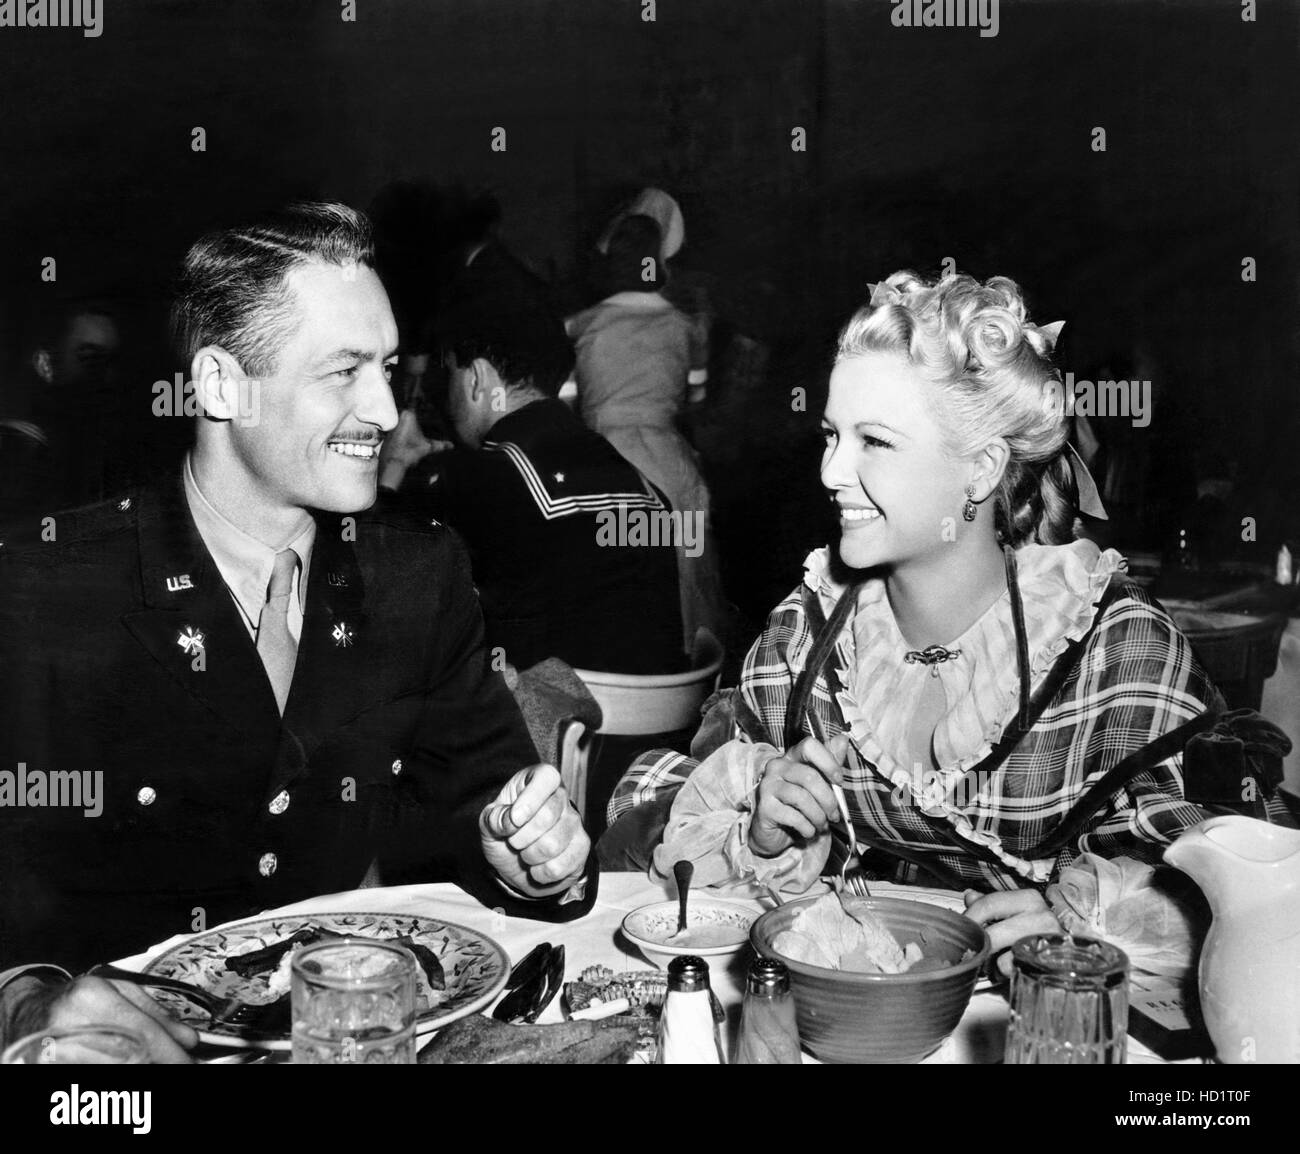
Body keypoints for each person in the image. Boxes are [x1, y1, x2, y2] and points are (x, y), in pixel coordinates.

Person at [0, 203, 595, 1060]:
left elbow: (481, 805)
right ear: (217, 386)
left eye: (388, 368)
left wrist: (533, 856)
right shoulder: (44, 588)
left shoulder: (416, 575)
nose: (388, 411)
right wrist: (25, 1003)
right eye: (344, 371)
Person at [605, 270, 1248, 970]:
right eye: (831, 435)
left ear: (980, 471)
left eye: (874, 442)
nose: (830, 472)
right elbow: (675, 838)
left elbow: (1238, 890)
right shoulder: (806, 638)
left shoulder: (1108, 646)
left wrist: (1087, 914)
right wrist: (761, 832)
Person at [378, 254, 685, 675]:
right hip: (653, 728)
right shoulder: (648, 490)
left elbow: (368, 580)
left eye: (451, 374)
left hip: (547, 731)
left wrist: (392, 467)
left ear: (476, 380)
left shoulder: (469, 480)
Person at [567, 211, 731, 653]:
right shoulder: (685, 326)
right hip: (670, 466)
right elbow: (695, 399)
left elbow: (566, 404)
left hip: (602, 465)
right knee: (685, 587)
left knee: (610, 586)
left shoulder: (579, 326)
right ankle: (685, 687)